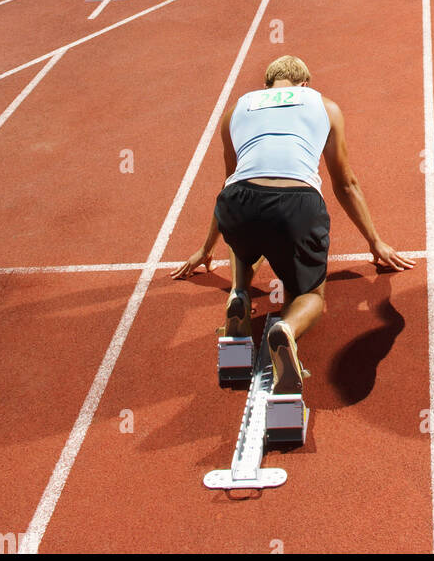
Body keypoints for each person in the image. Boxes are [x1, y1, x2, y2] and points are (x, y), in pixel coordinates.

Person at [173, 54, 413, 392]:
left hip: (239, 203)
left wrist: (205, 247)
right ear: (304, 85)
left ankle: (240, 293)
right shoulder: (324, 106)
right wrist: (375, 242)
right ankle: (285, 329)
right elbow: (345, 184)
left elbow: (229, 183)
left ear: (267, 84)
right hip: (296, 204)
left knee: (246, 232)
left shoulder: (235, 112)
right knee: (311, 296)